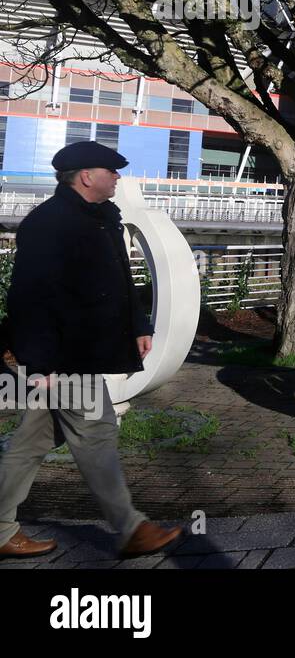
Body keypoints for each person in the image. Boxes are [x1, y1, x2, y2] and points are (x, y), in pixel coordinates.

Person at [0, 141, 183, 559]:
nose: (117, 176)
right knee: (96, 433)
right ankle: (131, 529)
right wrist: (40, 364)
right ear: (86, 176)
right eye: (110, 170)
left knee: (30, 443)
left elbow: (120, 278)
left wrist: (138, 325)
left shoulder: (102, 217)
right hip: (64, 358)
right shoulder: (49, 224)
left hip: (73, 354)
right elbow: (28, 299)